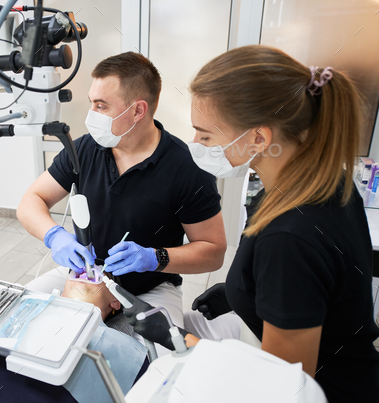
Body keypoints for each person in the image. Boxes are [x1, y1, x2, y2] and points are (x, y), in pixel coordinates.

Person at [126, 45, 379, 402]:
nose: (194, 143)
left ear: (259, 138)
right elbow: (311, 289)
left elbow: (280, 385)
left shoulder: (291, 239)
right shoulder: (310, 179)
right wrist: (238, 293)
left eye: (206, 135)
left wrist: (187, 344)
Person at [18, 52, 227, 344]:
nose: (91, 113)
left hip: (152, 287)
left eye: (101, 105)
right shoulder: (85, 149)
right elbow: (31, 201)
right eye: (92, 102)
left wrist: (154, 258)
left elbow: (214, 251)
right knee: (16, 318)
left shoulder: (187, 169)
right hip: (86, 273)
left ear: (138, 110)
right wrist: (55, 236)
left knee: (157, 369)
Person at [0, 273, 199, 403]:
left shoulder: (129, 353)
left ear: (115, 304)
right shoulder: (9, 317)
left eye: (100, 274)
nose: (85, 269)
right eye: (78, 269)